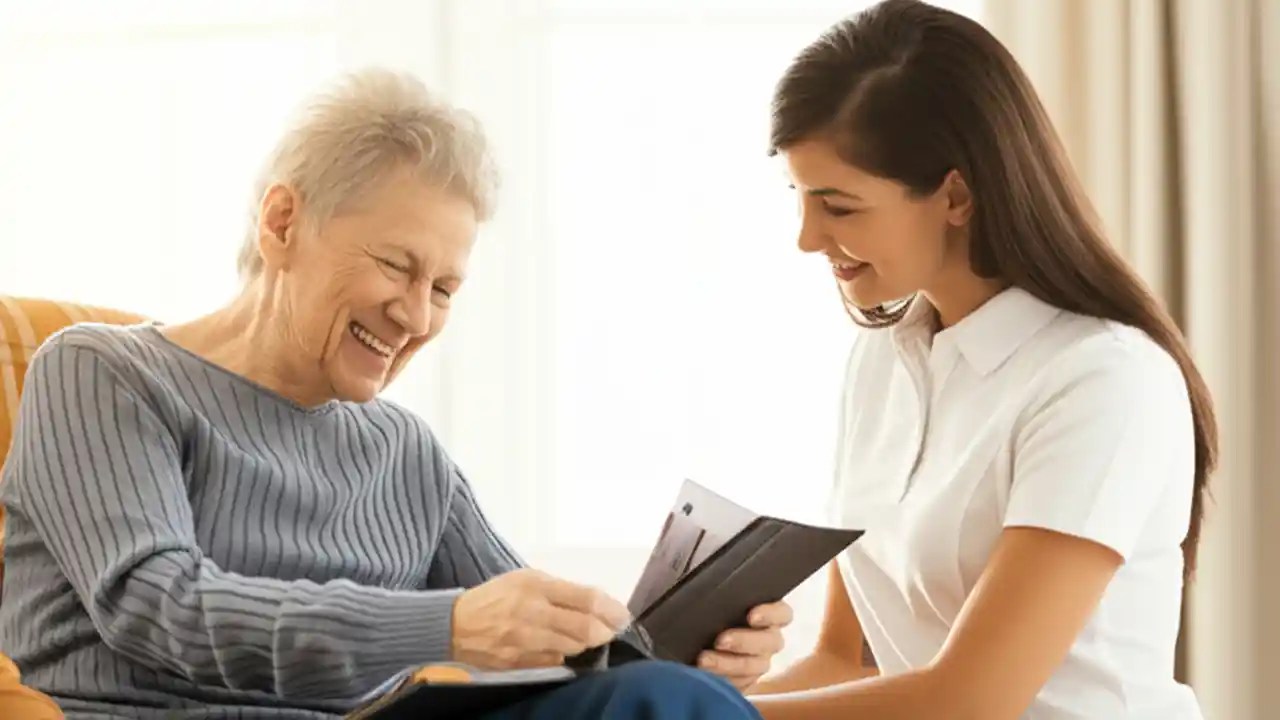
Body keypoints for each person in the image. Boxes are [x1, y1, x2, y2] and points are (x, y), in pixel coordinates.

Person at [0, 69, 788, 719]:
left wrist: (678, 650)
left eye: (444, 288)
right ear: (282, 223)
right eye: (397, 266)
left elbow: (537, 640)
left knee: (665, 697)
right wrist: (448, 624)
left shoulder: (403, 452)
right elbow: (159, 608)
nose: (415, 316)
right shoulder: (103, 372)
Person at [746, 1, 1216, 719]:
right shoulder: (881, 362)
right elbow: (846, 658)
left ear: (955, 195)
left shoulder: (1102, 380)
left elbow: (970, 699)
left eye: (838, 206)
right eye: (800, 198)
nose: (808, 238)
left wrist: (685, 714)